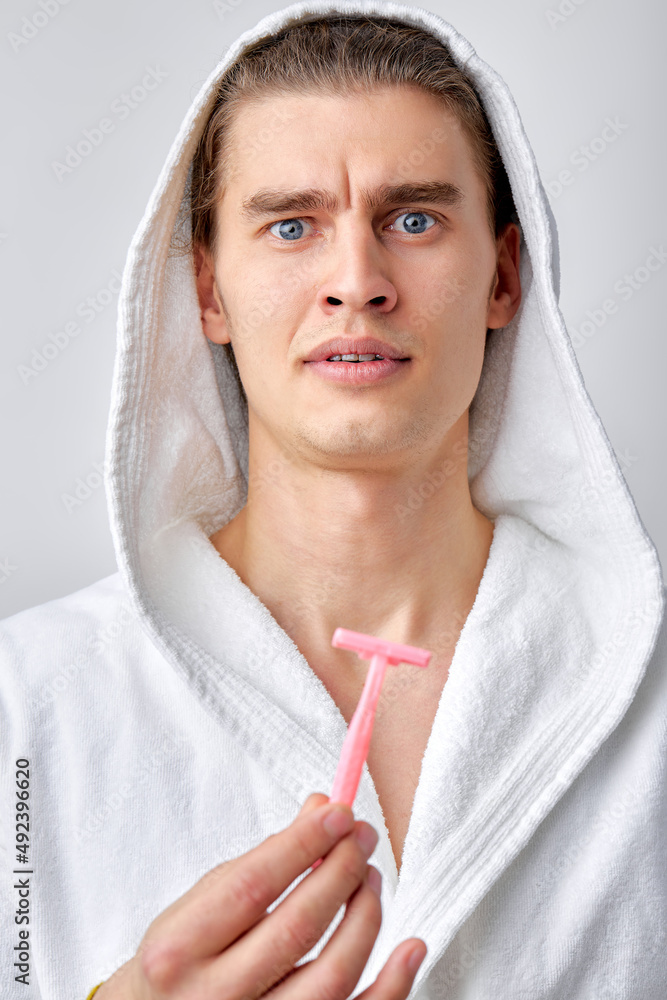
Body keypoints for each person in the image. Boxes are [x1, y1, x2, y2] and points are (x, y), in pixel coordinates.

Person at [1, 3, 665, 999]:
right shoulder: (24, 704)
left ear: (504, 276)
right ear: (209, 292)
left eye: (413, 219)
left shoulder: (646, 704)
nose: (356, 282)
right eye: (291, 224)